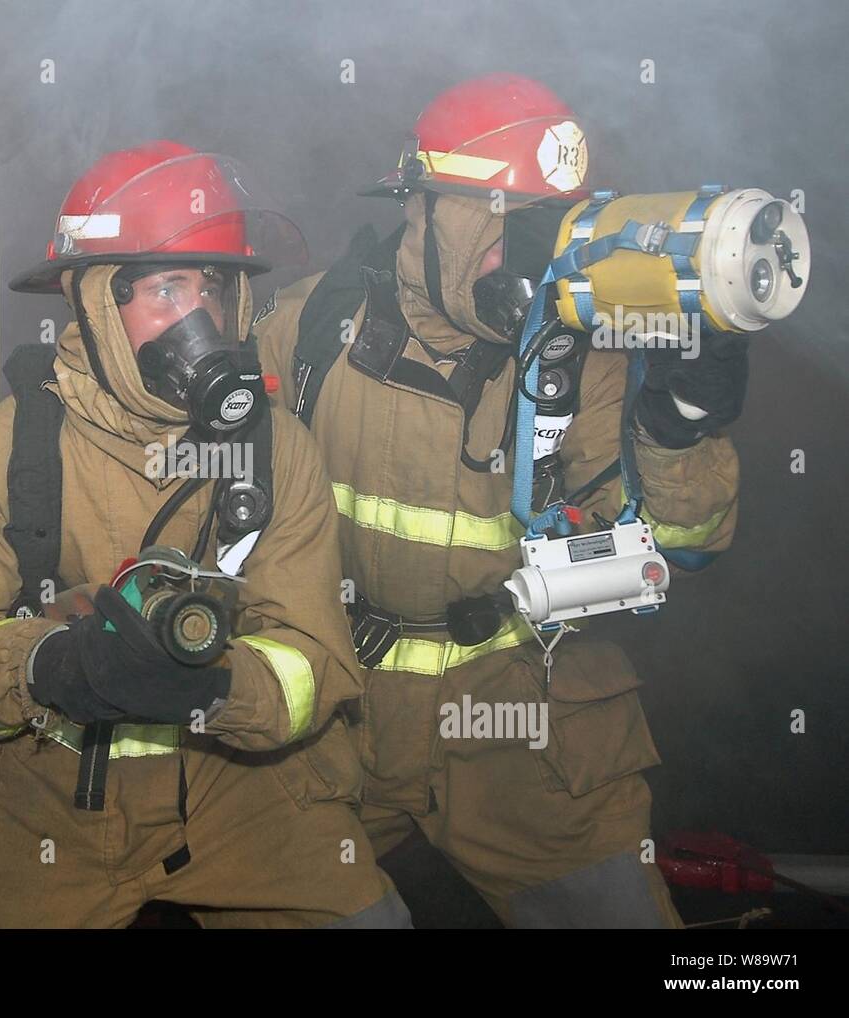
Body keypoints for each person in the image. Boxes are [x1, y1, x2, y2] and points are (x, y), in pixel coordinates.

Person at [254, 75, 744, 928]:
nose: (520, 258)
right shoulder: (310, 326)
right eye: (498, 222)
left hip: (525, 730)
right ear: (427, 209)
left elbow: (680, 544)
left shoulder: (587, 357)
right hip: (338, 717)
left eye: (544, 228)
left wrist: (677, 428)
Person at [0, 140, 411, 928]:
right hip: (34, 790)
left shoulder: (274, 446)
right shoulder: (8, 447)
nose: (198, 320)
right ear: (98, 300)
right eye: (167, 290)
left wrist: (215, 682)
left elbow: (317, 663)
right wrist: (48, 664)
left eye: (215, 289)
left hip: (232, 783)